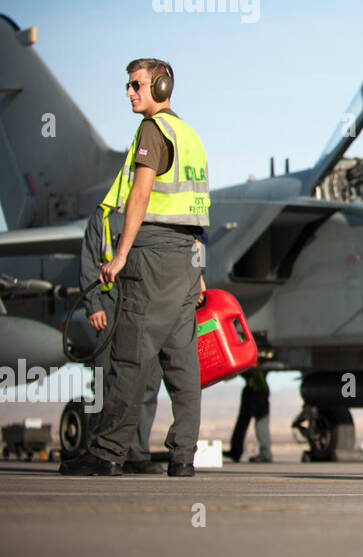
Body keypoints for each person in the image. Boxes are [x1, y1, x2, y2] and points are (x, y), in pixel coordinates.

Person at [61, 58, 209, 477]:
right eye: (128, 85)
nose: (129, 92)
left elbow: (141, 194)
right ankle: (182, 458)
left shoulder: (153, 129)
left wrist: (122, 253)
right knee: (182, 364)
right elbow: (195, 216)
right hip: (183, 259)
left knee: (128, 356)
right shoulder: (190, 135)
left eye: (136, 84)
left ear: (160, 86)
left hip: (151, 256)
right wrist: (196, 269)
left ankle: (108, 452)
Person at [79, 210, 164, 473]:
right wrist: (93, 305)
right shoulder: (103, 215)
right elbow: (88, 261)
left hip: (145, 302)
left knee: (148, 378)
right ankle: (97, 451)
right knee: (106, 378)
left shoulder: (158, 210)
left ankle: (136, 454)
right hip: (110, 302)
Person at [228, 369, 272, 462]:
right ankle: (237, 450)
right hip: (258, 388)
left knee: (253, 421)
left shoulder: (256, 373)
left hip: (256, 389)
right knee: (256, 421)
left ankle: (237, 451)